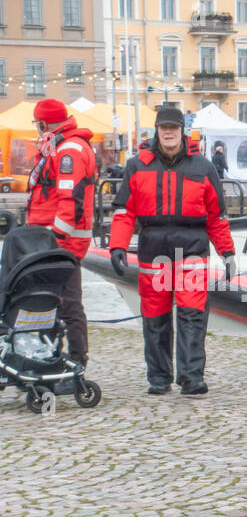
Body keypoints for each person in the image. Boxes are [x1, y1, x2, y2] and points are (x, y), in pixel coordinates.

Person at [110, 107, 235, 396]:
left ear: (182, 132)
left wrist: (227, 253)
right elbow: (124, 212)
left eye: (173, 128)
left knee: (192, 315)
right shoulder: (137, 166)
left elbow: (217, 216)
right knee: (155, 317)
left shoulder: (203, 167)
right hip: (153, 251)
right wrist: (117, 245)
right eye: (163, 128)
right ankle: (159, 377)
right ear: (157, 130)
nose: (168, 132)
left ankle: (192, 377)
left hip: (192, 251)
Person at [25, 98, 97, 389]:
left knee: (67, 306)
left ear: (44, 123)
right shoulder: (62, 146)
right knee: (52, 305)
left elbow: (70, 201)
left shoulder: (69, 150)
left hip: (59, 245)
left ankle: (74, 367)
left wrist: (54, 240)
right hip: (51, 242)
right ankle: (52, 363)